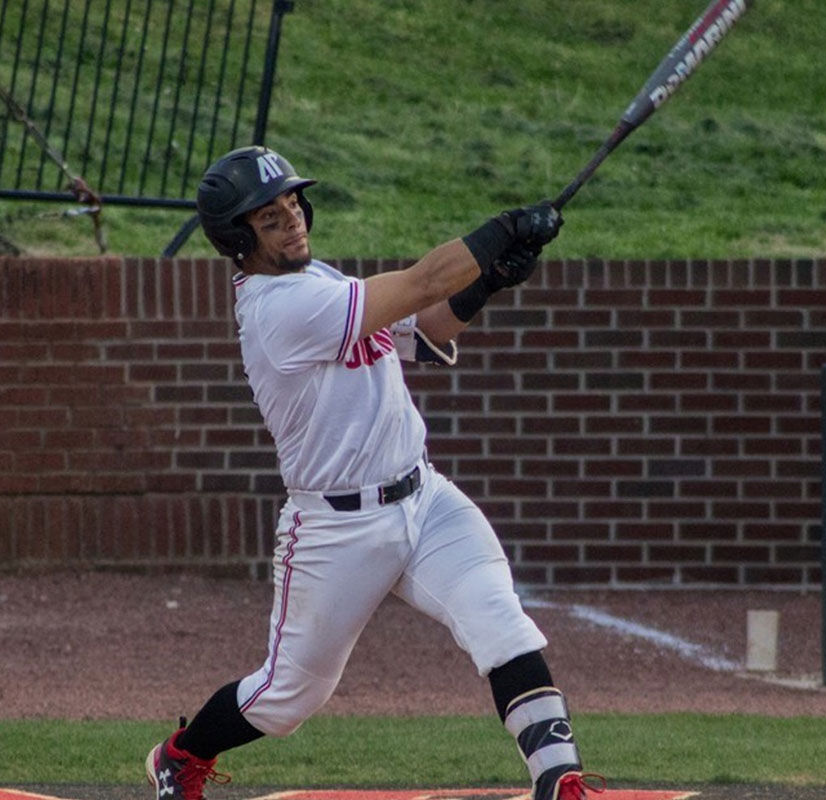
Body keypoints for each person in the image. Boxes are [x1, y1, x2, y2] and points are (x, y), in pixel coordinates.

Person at [145, 146, 605, 800]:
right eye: (270, 218)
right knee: (288, 697)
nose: (294, 220)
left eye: (292, 206)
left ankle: (560, 781)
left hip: (424, 499)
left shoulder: (319, 281)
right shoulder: (277, 309)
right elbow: (420, 283)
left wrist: (492, 279)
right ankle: (182, 756)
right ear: (235, 239)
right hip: (336, 528)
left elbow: (427, 324)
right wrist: (501, 230)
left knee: (499, 620)